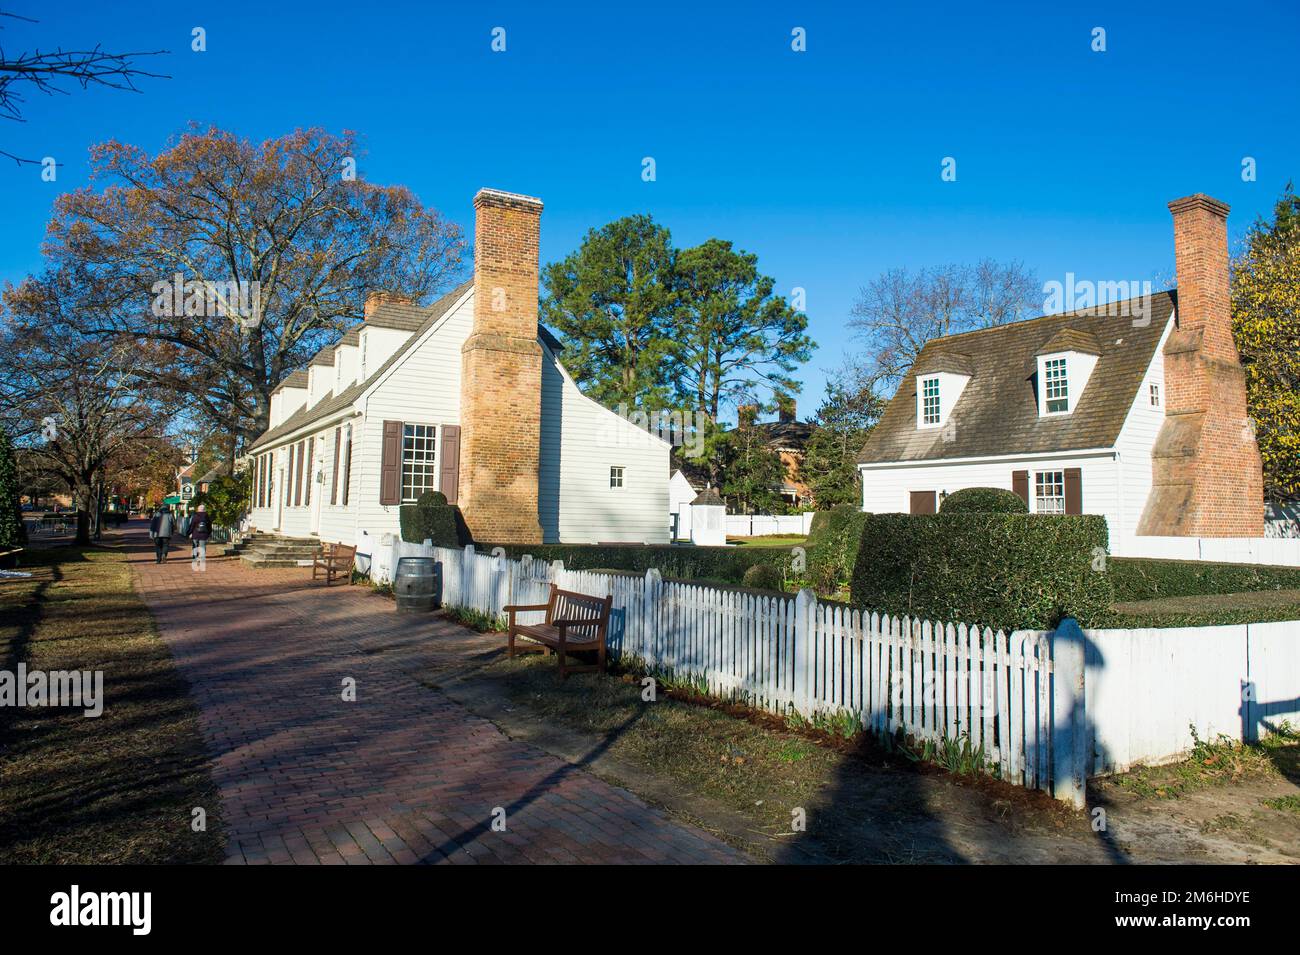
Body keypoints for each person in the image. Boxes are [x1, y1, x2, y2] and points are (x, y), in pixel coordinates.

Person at [188, 504, 212, 568]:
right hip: (203, 534)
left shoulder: (195, 516)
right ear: (204, 510)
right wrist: (208, 533)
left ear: (198, 509)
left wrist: (189, 533)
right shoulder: (207, 516)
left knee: (195, 546)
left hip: (195, 534)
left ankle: (195, 559)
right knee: (202, 547)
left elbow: (192, 525)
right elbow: (209, 526)